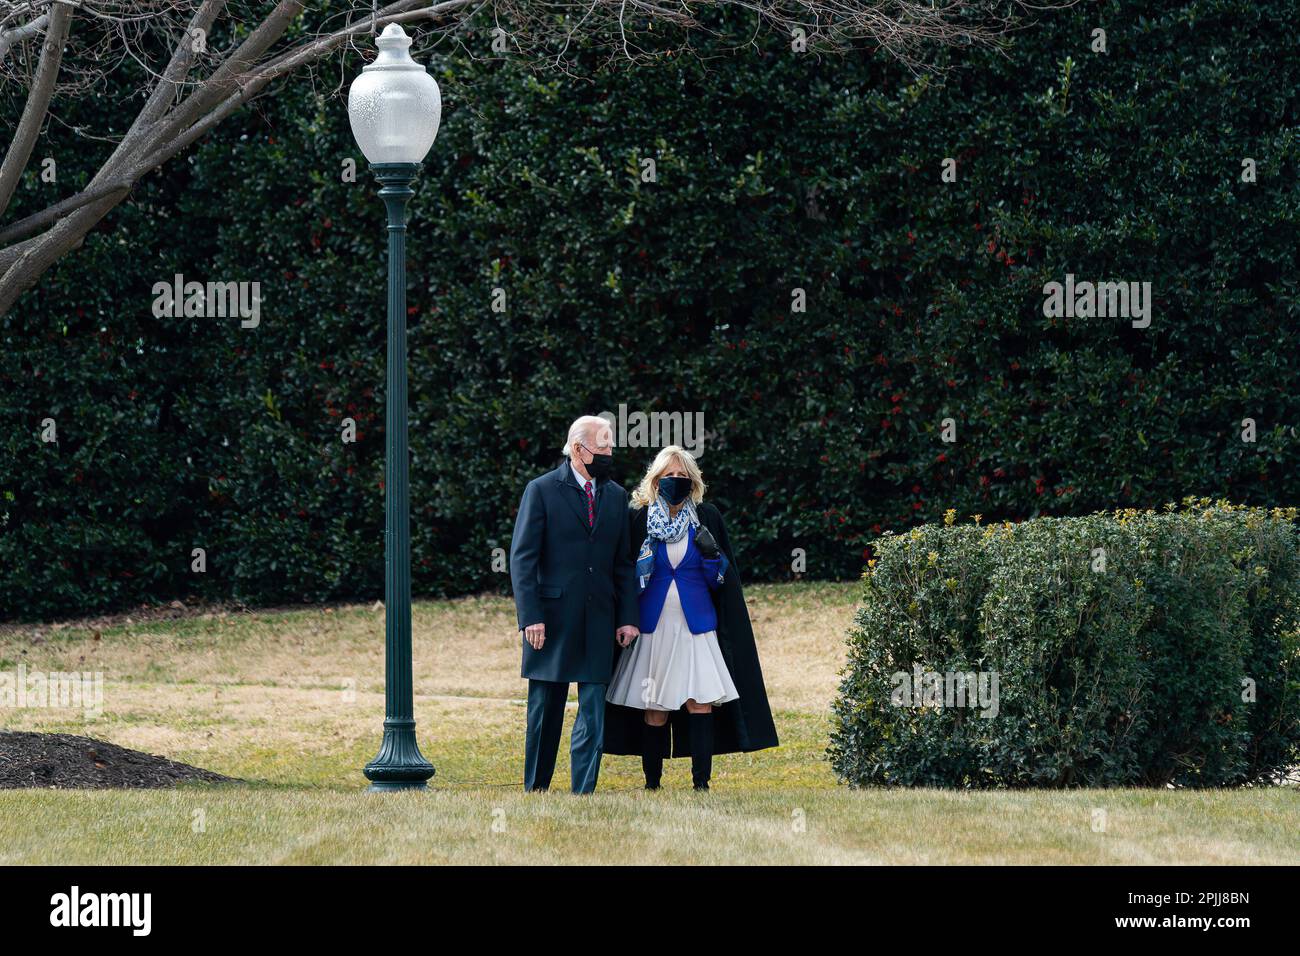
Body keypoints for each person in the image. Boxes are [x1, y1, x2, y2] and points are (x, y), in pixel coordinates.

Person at [605, 445, 778, 789]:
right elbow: (624, 573)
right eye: (669, 475)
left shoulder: (706, 517)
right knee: (654, 705)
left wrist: (713, 554)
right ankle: (652, 784)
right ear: (655, 480)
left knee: (700, 703)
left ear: (693, 481)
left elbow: (720, 578)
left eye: (683, 476)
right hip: (652, 627)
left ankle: (701, 784)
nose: (676, 481)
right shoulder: (639, 518)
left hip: (696, 626)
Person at [509, 415, 640, 793]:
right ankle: (537, 788)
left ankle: (583, 792)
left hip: (600, 618)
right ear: (578, 448)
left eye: (611, 447)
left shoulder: (616, 496)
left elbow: (623, 563)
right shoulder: (541, 490)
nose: (609, 454)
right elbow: (523, 559)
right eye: (603, 447)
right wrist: (530, 616)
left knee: (593, 710)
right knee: (545, 711)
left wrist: (628, 617)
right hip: (549, 621)